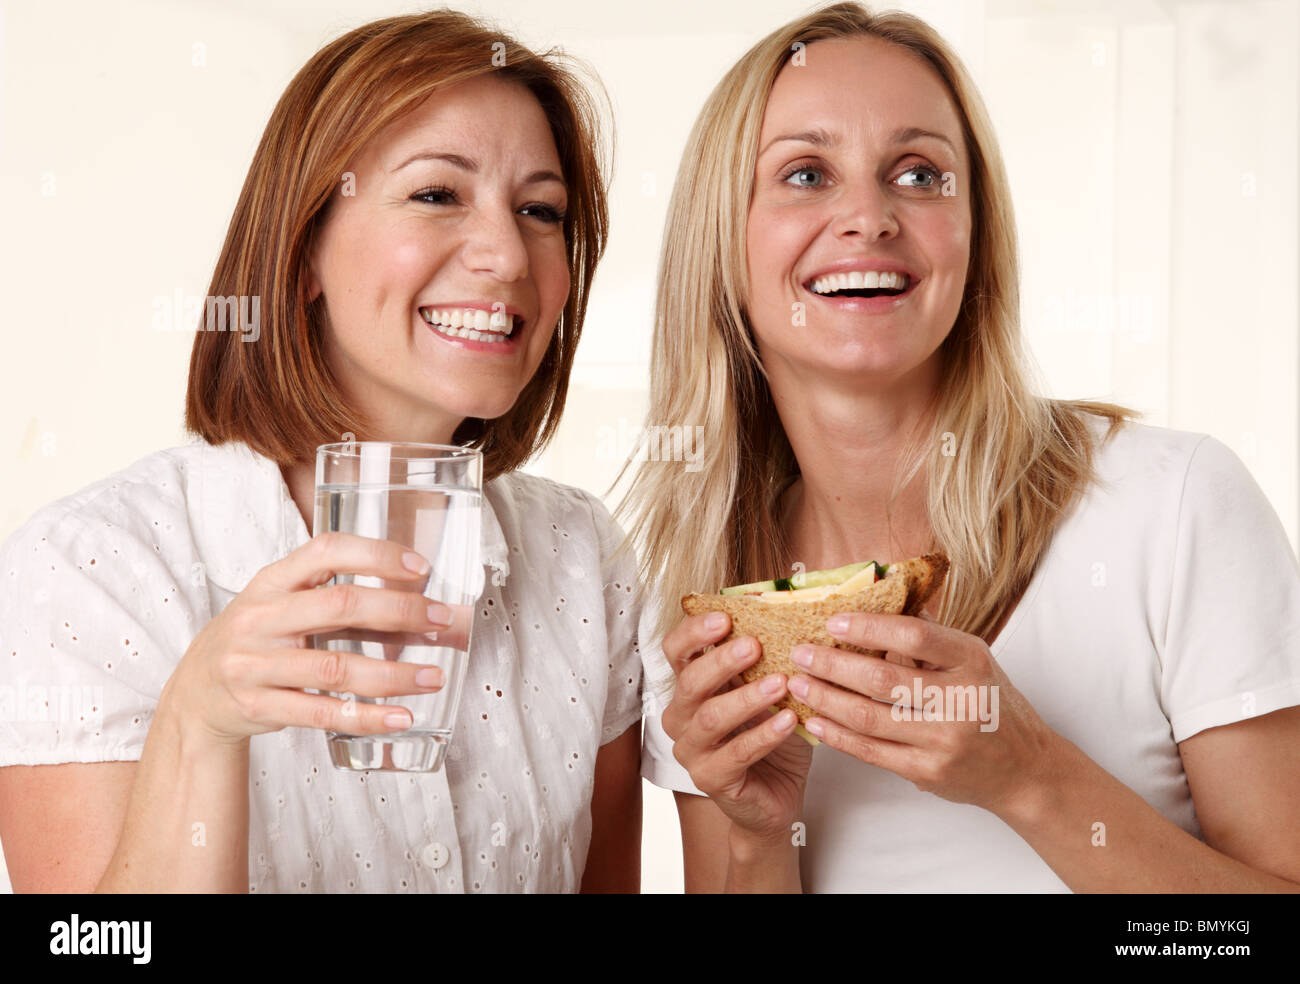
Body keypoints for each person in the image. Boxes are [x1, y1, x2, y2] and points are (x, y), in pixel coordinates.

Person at [621, 1, 1300, 892]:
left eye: (918, 173)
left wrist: (1031, 780)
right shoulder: (698, 596)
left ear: (975, 236)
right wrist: (759, 839)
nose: (868, 216)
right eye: (805, 174)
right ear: (722, 240)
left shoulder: (1172, 506)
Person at [0, 10, 642, 894]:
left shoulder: (581, 557)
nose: (506, 256)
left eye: (541, 210)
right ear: (302, 252)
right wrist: (199, 725)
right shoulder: (92, 571)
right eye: (436, 194)